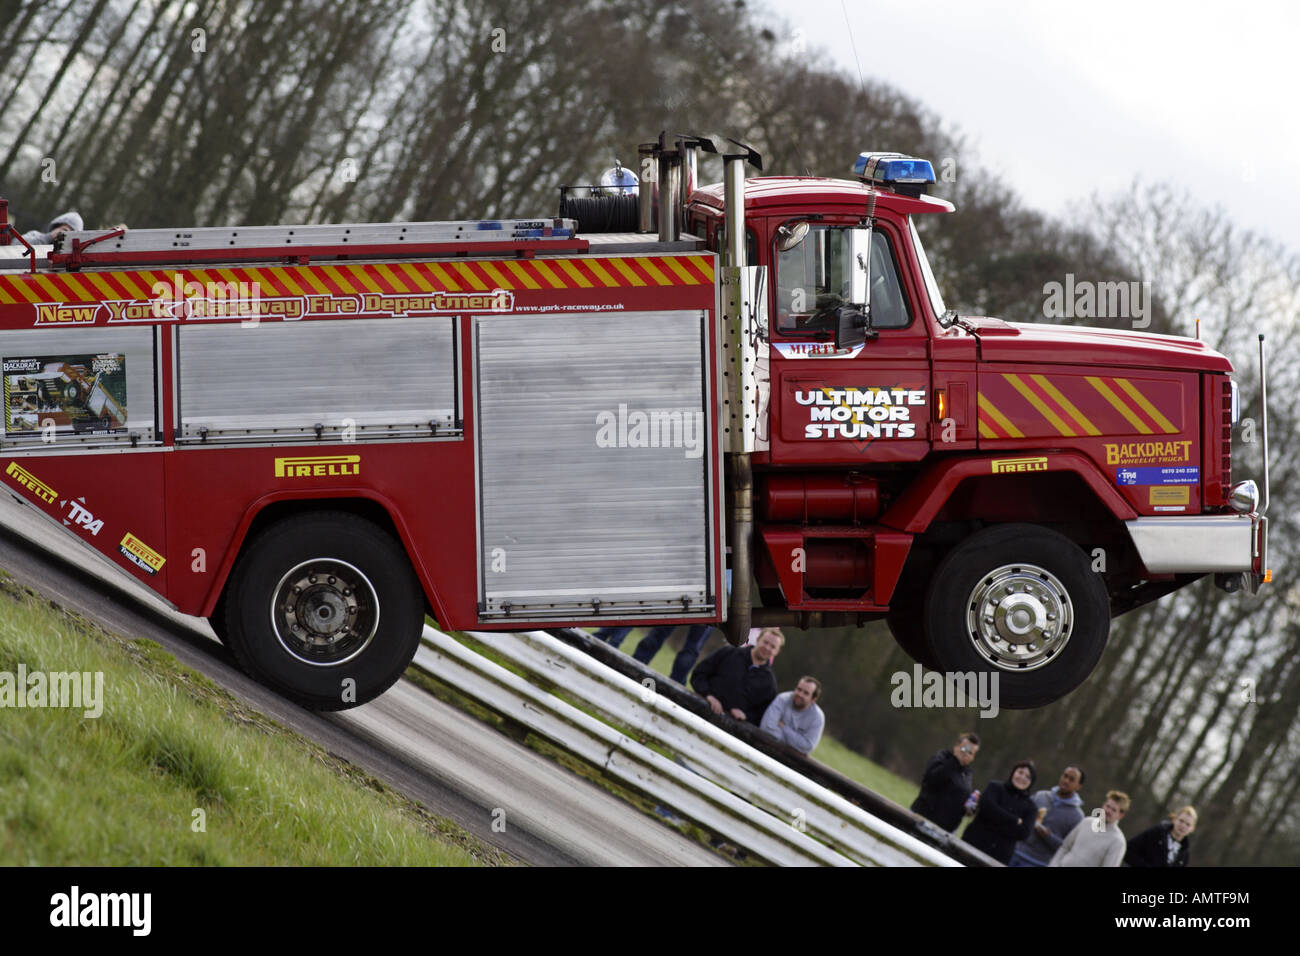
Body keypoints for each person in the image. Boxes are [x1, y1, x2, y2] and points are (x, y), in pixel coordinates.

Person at [689, 626, 781, 725]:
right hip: (697, 714)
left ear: (777, 652)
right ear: (758, 639)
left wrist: (746, 716)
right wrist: (708, 695)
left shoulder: (769, 684)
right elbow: (698, 674)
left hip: (729, 732)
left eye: (773, 646)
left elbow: (763, 714)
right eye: (765, 642)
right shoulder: (729, 652)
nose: (767, 648)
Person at [1008, 766, 1087, 867]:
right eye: (1065, 776)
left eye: (1071, 779)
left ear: (1078, 786)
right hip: (1014, 852)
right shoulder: (1041, 795)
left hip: (1038, 862)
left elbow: (1069, 848)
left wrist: (1049, 837)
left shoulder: (1077, 816)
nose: (1066, 781)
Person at [961, 760, 1038, 864]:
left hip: (998, 858)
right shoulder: (994, 787)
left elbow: (1024, 833)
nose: (1022, 778)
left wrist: (995, 818)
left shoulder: (1031, 808)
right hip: (972, 845)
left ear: (1031, 782)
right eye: (1020, 772)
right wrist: (1014, 820)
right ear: (1013, 772)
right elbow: (986, 808)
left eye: (1028, 777)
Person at [909, 732, 980, 832]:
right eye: (964, 748)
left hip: (945, 830)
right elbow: (933, 780)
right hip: (923, 819)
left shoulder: (967, 774)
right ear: (956, 746)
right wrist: (955, 761)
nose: (965, 754)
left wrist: (968, 808)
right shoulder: (941, 757)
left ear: (973, 758)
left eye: (970, 752)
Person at [1049, 791, 1130, 867]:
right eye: (1108, 806)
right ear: (1103, 805)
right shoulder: (1086, 822)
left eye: (1114, 810)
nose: (1108, 811)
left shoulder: (1118, 842)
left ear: (1121, 815)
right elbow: (1065, 847)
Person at [759, 676, 825, 754]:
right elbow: (766, 728)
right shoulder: (782, 699)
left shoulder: (818, 717)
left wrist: (784, 727)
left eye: (806, 693)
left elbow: (807, 747)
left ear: (813, 699)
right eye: (799, 689)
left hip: (791, 760)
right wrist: (796, 741)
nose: (800, 694)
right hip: (764, 749)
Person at [1124, 805, 1196, 867]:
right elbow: (1128, 850)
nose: (1183, 826)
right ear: (1174, 819)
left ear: (1192, 829)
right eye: (1181, 821)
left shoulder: (1184, 854)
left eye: (1188, 824)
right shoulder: (1157, 833)